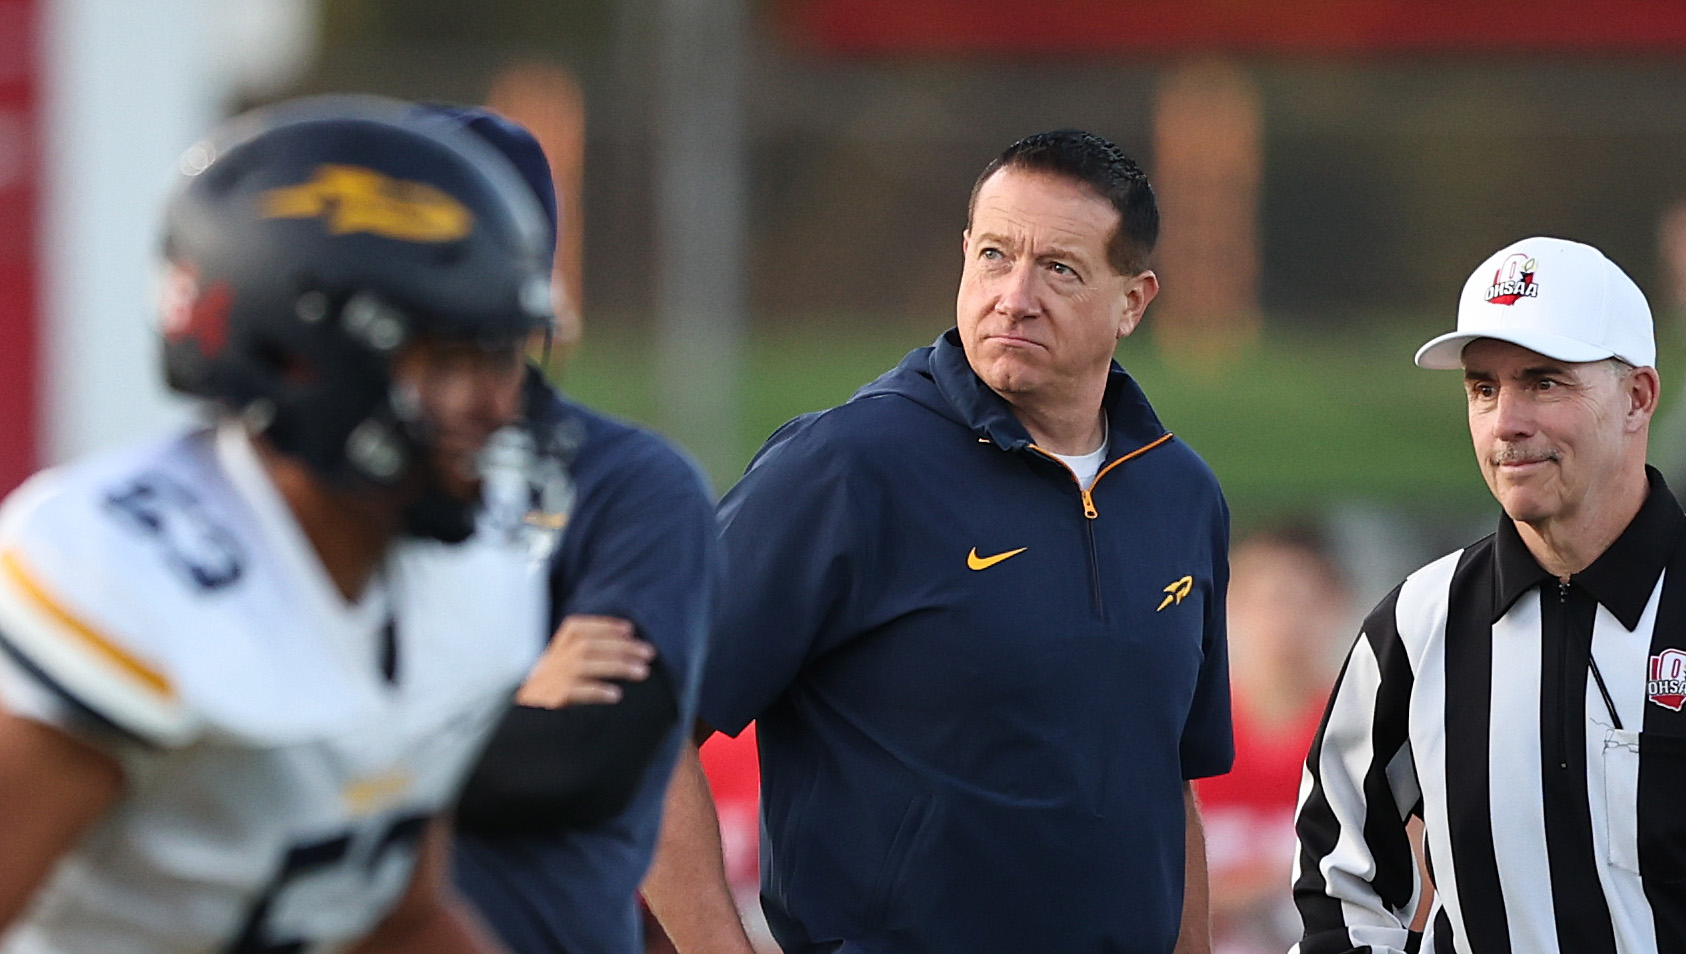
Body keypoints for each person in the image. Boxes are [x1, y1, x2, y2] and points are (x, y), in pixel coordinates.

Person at [644, 129, 1233, 954]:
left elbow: (1168, 779)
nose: (1014, 296)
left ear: (1133, 301)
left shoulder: (1182, 494)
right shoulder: (845, 467)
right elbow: (640, 725)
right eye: (995, 255)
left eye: (1059, 269)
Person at [0, 95, 566, 953]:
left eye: (505, 356)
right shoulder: (124, 578)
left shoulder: (468, 577)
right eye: (452, 359)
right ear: (304, 356)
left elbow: (394, 919)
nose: (500, 403)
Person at [1293, 236, 1686, 952]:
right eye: (1483, 388)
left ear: (1638, 397)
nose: (1506, 423)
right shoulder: (1417, 624)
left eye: (1544, 382)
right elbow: (1336, 880)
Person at [425, 106, 723, 954]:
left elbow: (577, 763)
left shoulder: (630, 484)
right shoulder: (317, 478)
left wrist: (344, 744)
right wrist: (512, 696)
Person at [1193, 529, 1349, 954]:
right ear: (1231, 608)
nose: (1286, 623)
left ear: (1335, 607)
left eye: (1303, 602)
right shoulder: (1188, 735)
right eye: (1270, 602)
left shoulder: (1360, 735)